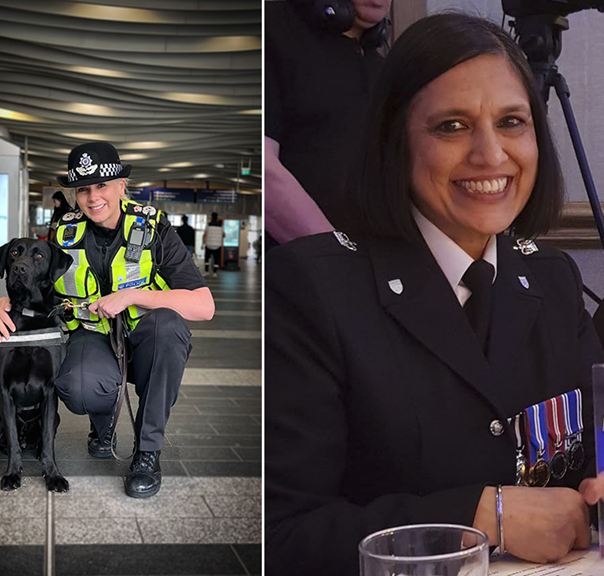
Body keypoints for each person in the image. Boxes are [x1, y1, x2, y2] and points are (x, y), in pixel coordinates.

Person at [266, 14, 603, 574]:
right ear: (395, 141)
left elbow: (590, 445)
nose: (491, 155)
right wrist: (481, 517)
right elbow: (279, 534)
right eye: (451, 126)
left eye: (512, 122)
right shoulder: (312, 287)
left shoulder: (553, 278)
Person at [0, 142, 214, 498]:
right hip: (91, 336)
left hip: (146, 341)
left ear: (122, 186)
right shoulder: (66, 232)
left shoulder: (154, 229)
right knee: (77, 385)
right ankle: (102, 424)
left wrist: (133, 296)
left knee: (169, 326)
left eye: (102, 186)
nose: (93, 197)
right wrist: (3, 301)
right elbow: (39, 284)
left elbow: (204, 306)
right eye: (83, 189)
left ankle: (147, 453)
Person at [264, 0, 390, 249]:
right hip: (298, 272)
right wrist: (336, 258)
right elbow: (261, 172)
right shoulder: (272, 29)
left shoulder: (381, 67)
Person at [202, 212, 224, 277]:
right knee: (216, 259)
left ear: (211, 217)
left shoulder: (208, 224)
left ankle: (206, 272)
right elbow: (224, 234)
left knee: (207, 259)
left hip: (209, 244)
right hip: (217, 245)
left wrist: (202, 244)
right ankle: (215, 273)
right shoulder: (221, 226)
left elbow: (205, 234)